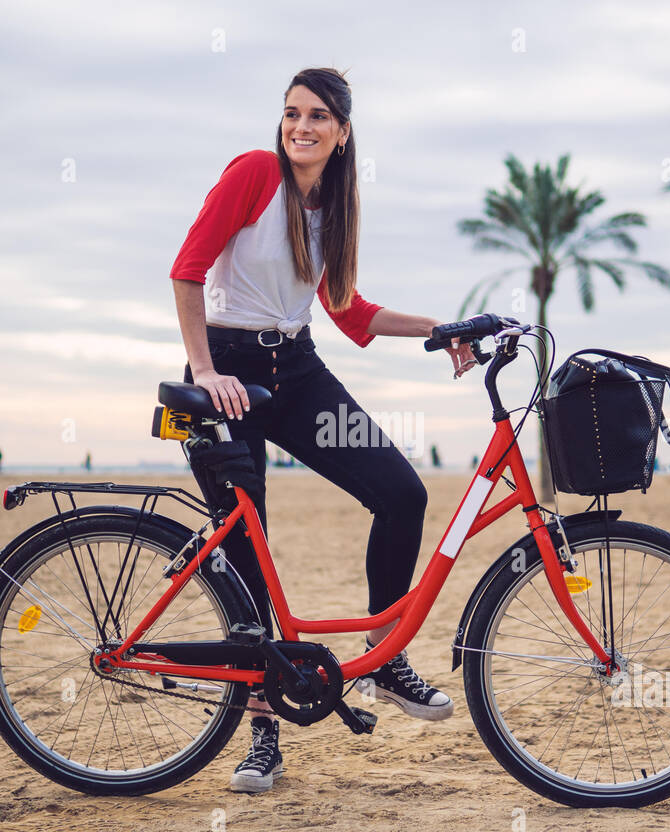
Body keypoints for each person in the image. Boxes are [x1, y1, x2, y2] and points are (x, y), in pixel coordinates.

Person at [169, 67, 476, 794]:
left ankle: (383, 655)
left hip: (295, 373)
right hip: (227, 370)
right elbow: (187, 271)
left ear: (342, 133)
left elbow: (349, 310)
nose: (299, 127)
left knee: (401, 493)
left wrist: (443, 328)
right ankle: (262, 736)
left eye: (316, 118)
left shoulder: (331, 208)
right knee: (249, 556)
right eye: (290, 114)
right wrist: (206, 372)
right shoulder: (253, 173)